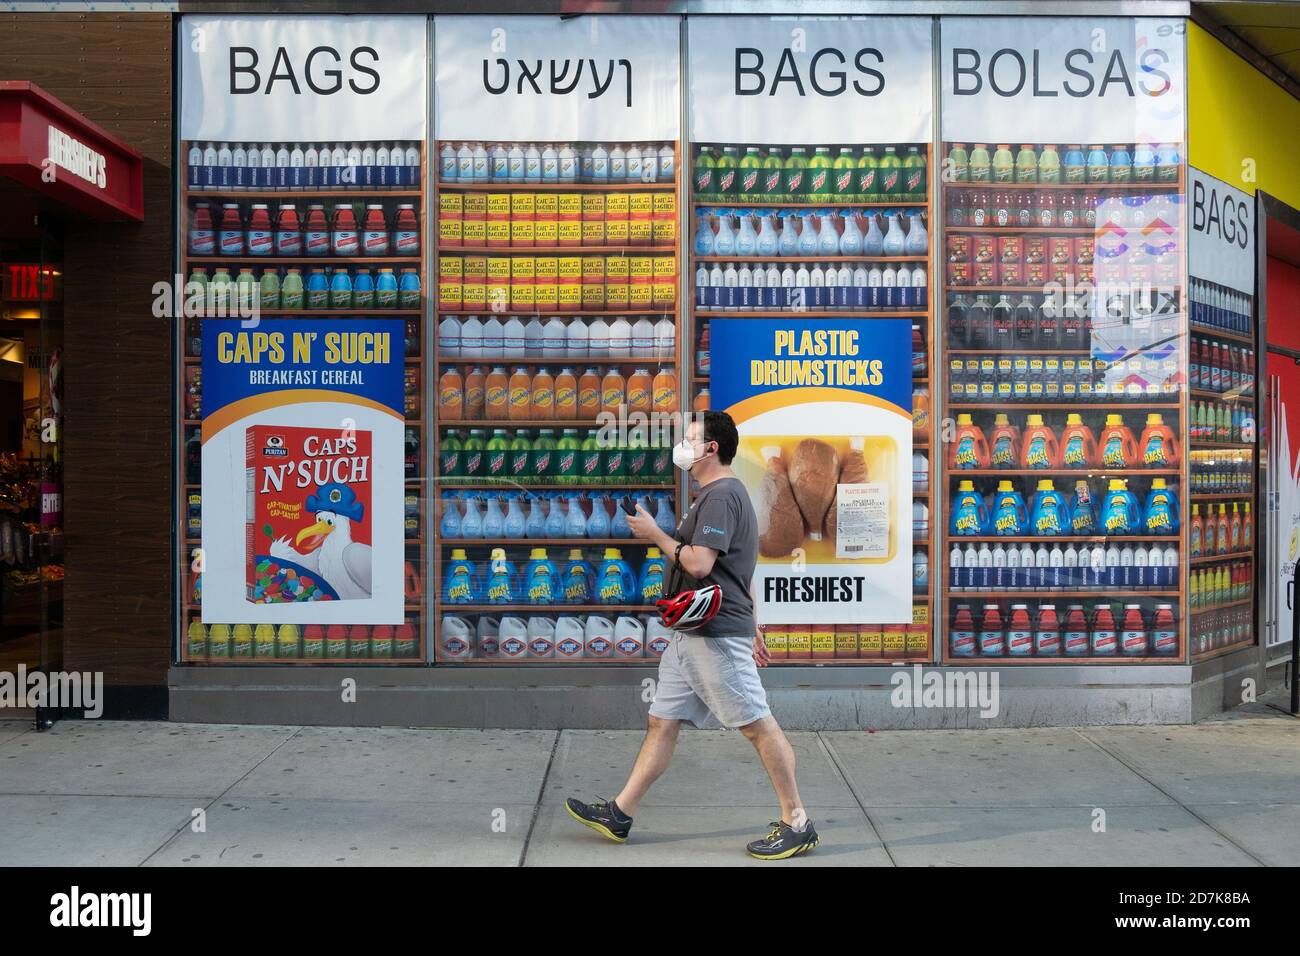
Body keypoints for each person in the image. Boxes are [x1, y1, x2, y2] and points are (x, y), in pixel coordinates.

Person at [564, 411, 819, 860]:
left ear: (711, 449)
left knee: (758, 726)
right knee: (662, 722)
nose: (683, 443)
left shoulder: (721, 496)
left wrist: (653, 533)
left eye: (690, 438)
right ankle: (620, 814)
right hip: (690, 635)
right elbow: (743, 569)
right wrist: (756, 623)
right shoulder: (717, 495)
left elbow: (700, 564)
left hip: (714, 637)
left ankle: (798, 822)